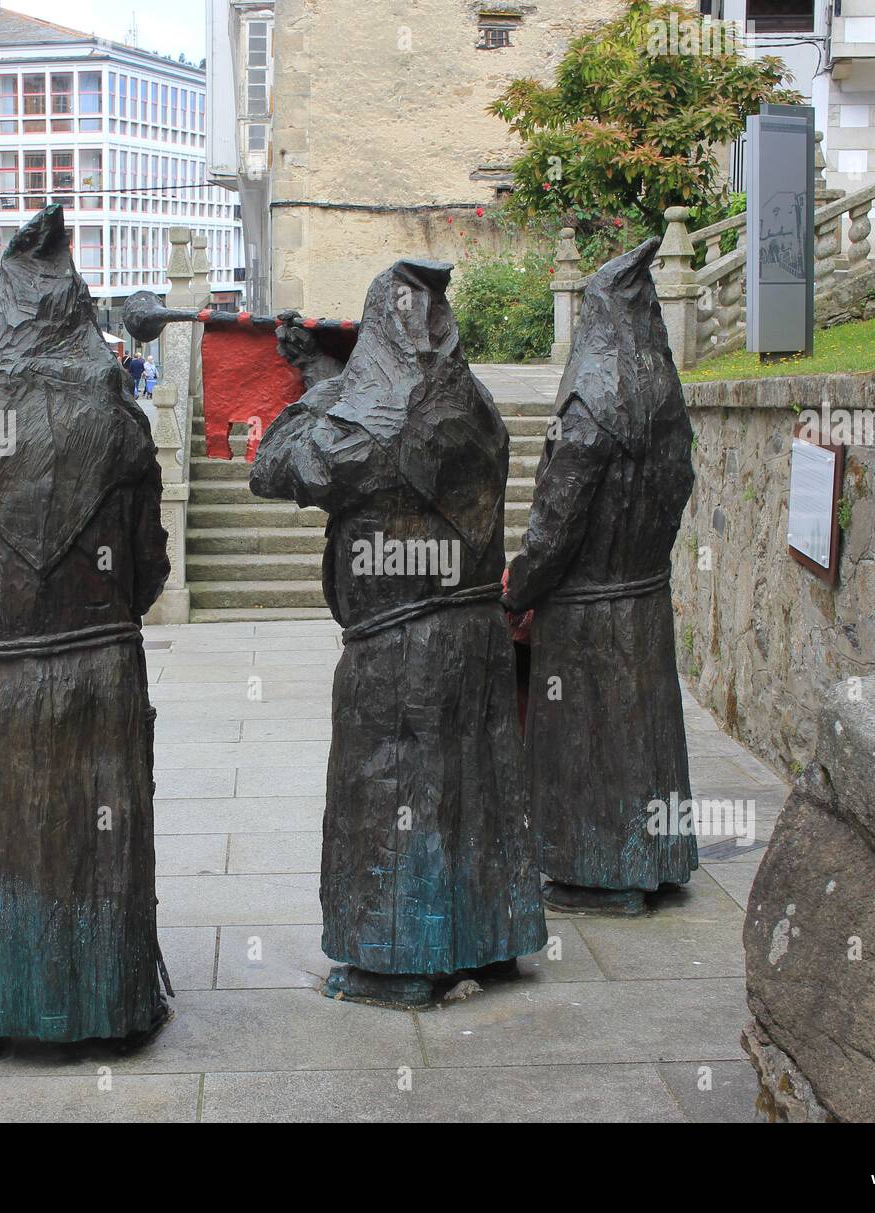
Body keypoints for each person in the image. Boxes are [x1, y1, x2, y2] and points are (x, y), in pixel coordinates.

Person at [0, 204, 172, 1063]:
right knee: (99, 843)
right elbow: (151, 574)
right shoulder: (119, 420)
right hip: (100, 671)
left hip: (4, 679)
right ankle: (108, 1008)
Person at [251, 259, 546, 1007]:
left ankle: (401, 957)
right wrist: (335, 371)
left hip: (399, 645)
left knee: (393, 787)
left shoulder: (366, 425)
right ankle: (493, 935)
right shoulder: (474, 406)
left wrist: (326, 383)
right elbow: (382, 419)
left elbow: (278, 464)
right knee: (475, 785)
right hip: (474, 630)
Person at [503, 238, 697, 916]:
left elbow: (555, 524)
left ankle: (599, 867)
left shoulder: (587, 403)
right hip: (645, 597)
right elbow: (680, 487)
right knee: (645, 734)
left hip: (586, 613)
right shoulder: (667, 396)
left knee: (591, 742)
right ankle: (658, 861)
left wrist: (518, 587)